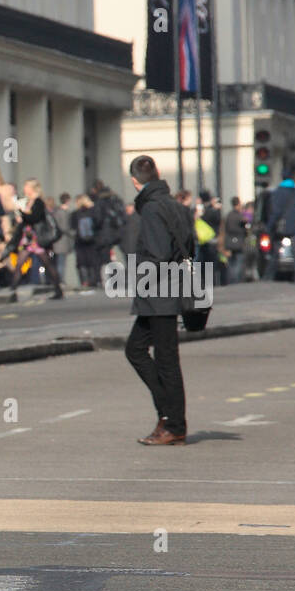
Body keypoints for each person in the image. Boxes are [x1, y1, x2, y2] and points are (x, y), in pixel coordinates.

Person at [124, 154, 194, 446]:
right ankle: (169, 417)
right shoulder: (175, 205)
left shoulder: (151, 209)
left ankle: (173, 421)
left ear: (134, 181)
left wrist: (139, 277)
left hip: (159, 293)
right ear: (158, 173)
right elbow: (190, 244)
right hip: (171, 289)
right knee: (140, 350)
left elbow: (158, 253)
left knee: (161, 358)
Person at [0, 178, 64, 300]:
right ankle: (13, 290)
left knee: (47, 264)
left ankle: (58, 289)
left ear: (32, 188)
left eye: (26, 187)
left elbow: (34, 218)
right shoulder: (29, 201)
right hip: (28, 239)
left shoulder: (38, 202)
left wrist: (21, 213)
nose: (24, 189)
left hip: (37, 239)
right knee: (20, 263)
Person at [263, 174, 295, 283]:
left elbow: (276, 212)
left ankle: (268, 276)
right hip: (293, 225)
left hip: (281, 226)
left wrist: (268, 227)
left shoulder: (278, 193)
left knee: (276, 252)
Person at [71, 193, 99, 289]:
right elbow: (98, 223)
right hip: (92, 240)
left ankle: (84, 281)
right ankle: (93, 280)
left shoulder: (75, 214)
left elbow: (72, 227)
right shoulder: (92, 211)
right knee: (92, 260)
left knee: (81, 262)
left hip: (79, 241)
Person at [222, 196, 248, 284]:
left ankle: (230, 280)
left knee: (231, 263)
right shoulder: (239, 216)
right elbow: (243, 229)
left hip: (229, 242)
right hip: (238, 242)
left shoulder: (229, 215)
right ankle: (235, 280)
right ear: (238, 204)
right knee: (238, 262)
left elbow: (226, 229)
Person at [51, 192, 75, 289]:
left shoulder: (56, 211)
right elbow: (65, 227)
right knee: (61, 263)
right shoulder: (63, 212)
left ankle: (59, 281)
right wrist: (73, 234)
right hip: (62, 241)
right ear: (67, 201)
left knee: (59, 262)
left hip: (57, 241)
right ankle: (60, 281)